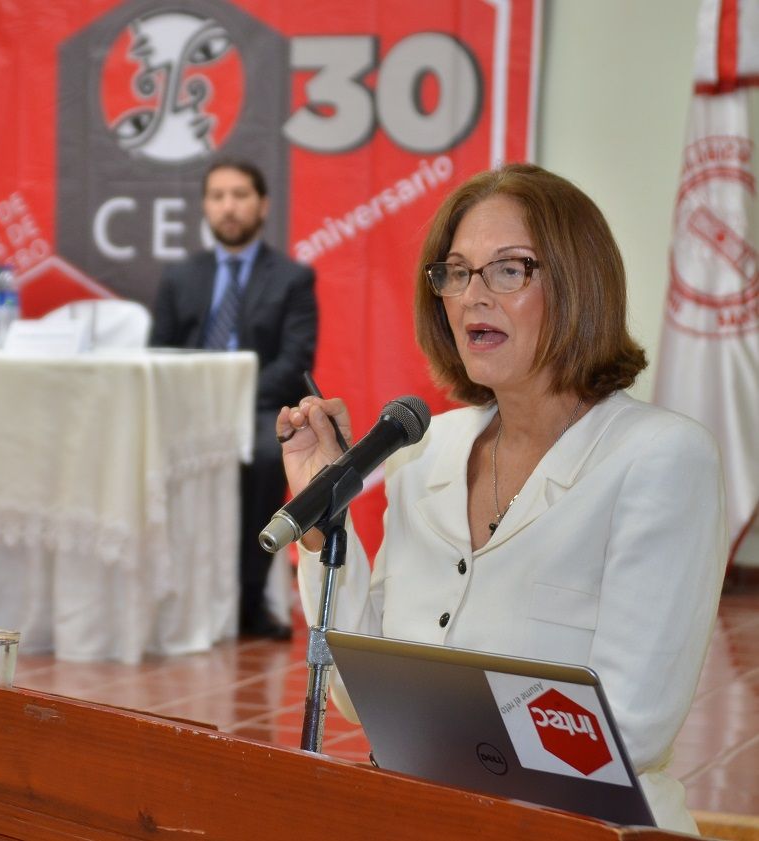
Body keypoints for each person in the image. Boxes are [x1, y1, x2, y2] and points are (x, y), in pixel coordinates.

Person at [278, 163, 725, 832]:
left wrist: (428, 738)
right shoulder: (425, 451)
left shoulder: (660, 457)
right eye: (454, 273)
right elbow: (359, 693)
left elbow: (627, 729)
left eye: (507, 269)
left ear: (578, 282)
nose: (470, 296)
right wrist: (322, 521)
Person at [151, 157, 318, 639]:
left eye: (240, 195)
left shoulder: (292, 277)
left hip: (259, 409)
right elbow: (159, 351)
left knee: (267, 457)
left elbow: (294, 361)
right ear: (205, 206)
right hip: (183, 412)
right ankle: (164, 593)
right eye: (218, 196)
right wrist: (196, 404)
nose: (229, 206)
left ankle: (248, 600)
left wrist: (228, 401)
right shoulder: (180, 276)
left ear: (263, 205)